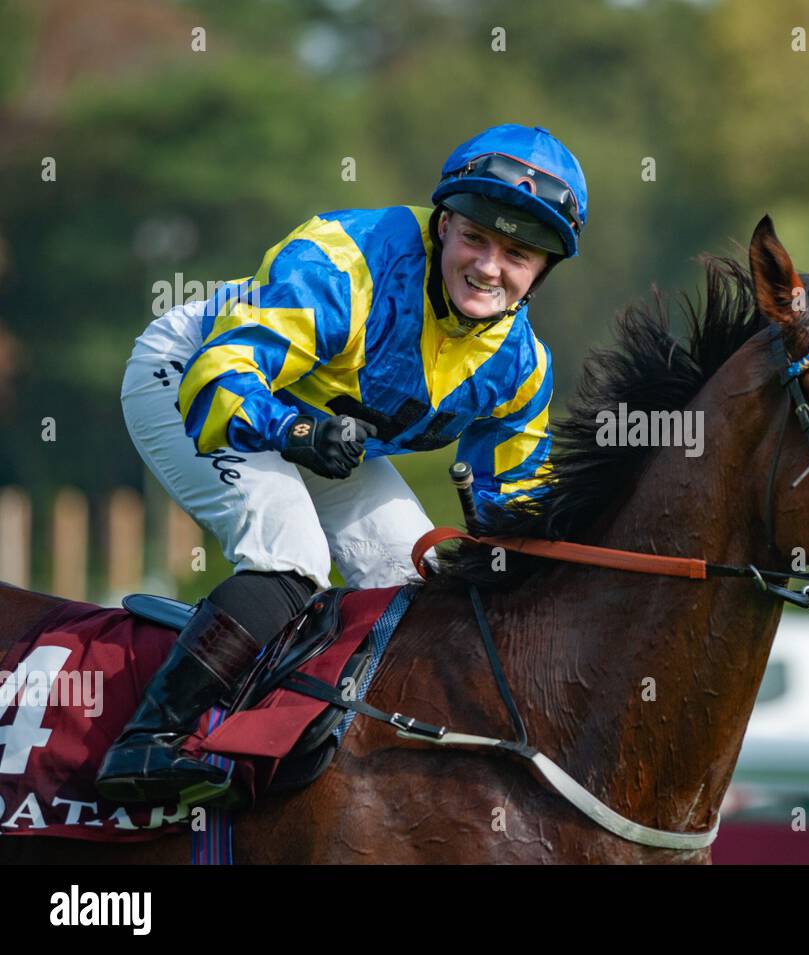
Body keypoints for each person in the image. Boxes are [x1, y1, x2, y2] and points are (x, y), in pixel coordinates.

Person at [96, 124, 587, 804]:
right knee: (290, 553)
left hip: (317, 423)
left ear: (542, 272)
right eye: (475, 237)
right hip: (194, 378)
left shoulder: (523, 369)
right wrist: (296, 429)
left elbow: (514, 514)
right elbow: (219, 381)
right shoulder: (345, 261)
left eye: (517, 254)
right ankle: (149, 739)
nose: (488, 267)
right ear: (443, 225)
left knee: (421, 584)